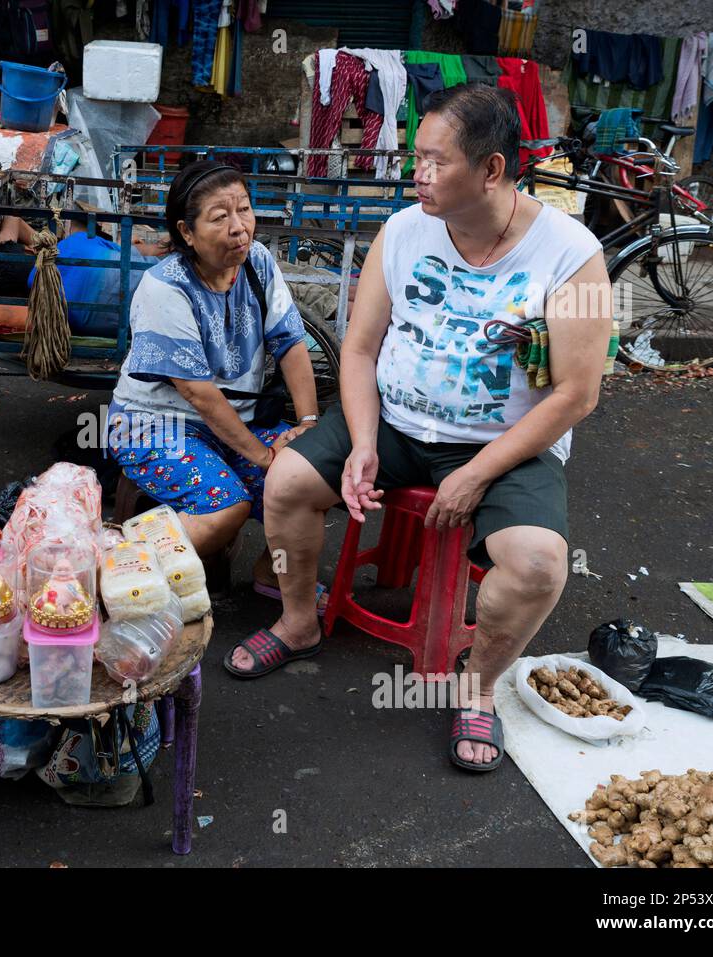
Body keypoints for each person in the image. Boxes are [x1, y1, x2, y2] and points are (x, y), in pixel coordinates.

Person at [233, 84, 612, 773]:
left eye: (437, 162)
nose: (419, 175)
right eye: (417, 158)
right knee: (286, 482)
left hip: (503, 443)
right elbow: (358, 349)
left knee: (535, 564)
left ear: (492, 170)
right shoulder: (404, 229)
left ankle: (479, 685)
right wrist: (366, 440)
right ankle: (297, 618)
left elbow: (577, 393)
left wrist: (477, 471)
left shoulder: (573, 255)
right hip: (399, 423)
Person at [106, 161, 320, 588]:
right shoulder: (164, 286)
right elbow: (198, 393)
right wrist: (263, 456)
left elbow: (290, 341)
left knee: (317, 472)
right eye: (221, 217)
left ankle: (269, 572)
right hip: (156, 425)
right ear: (187, 232)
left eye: (244, 210)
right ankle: (117, 575)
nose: (239, 228)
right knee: (224, 506)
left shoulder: (258, 262)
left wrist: (307, 424)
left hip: (235, 422)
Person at [0, 215, 169, 336]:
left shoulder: (52, 312)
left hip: (157, 326)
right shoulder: (75, 242)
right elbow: (12, 218)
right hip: (169, 279)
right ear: (30, 250)